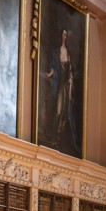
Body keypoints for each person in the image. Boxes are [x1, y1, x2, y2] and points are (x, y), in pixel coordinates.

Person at [41, 27, 81, 155]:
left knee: (65, 112)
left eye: (66, 34)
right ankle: (54, 135)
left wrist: (71, 83)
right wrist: (49, 74)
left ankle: (59, 136)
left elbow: (70, 70)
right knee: (58, 110)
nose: (65, 36)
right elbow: (54, 67)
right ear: (60, 36)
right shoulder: (56, 52)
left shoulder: (68, 53)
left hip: (67, 84)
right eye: (63, 34)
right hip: (60, 85)